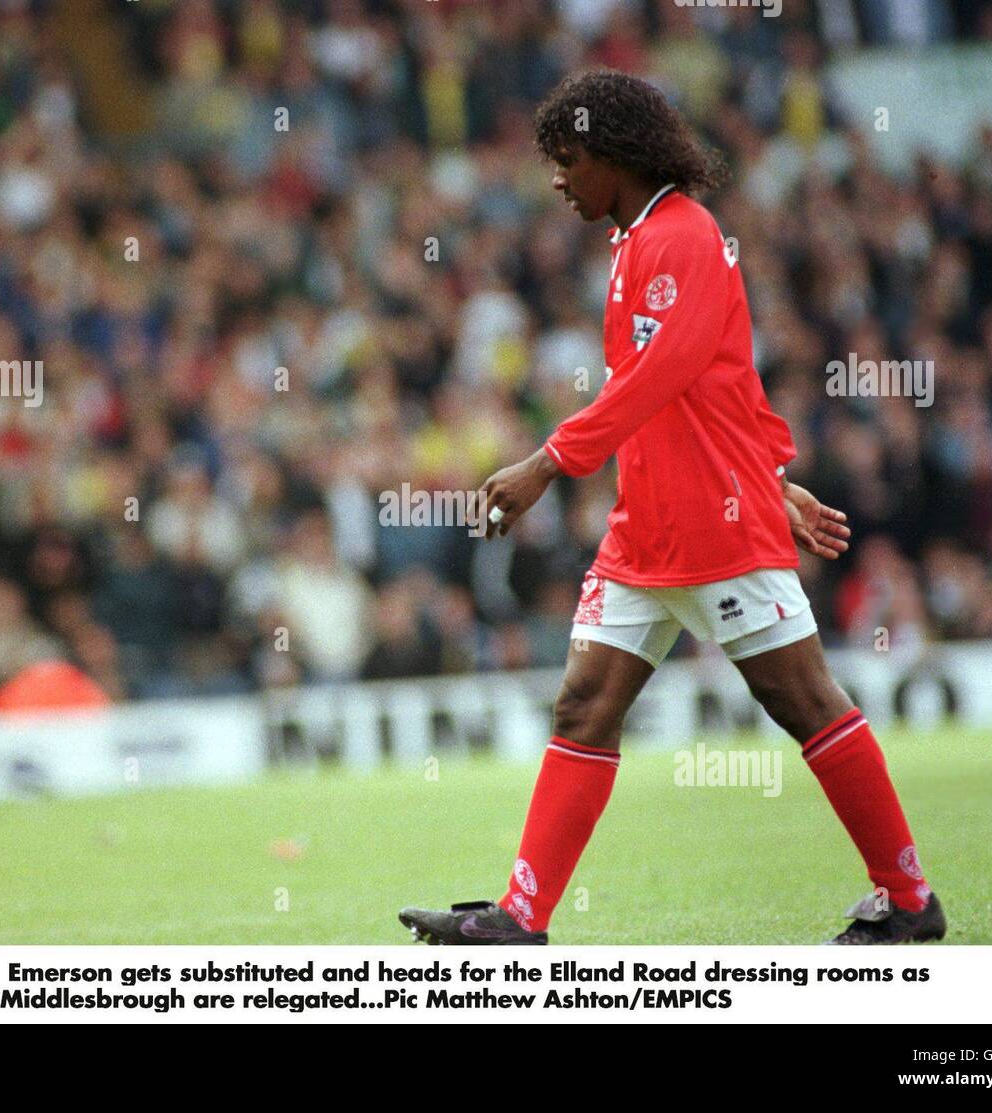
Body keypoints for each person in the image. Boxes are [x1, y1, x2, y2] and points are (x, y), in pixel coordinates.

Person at [399, 71, 944, 946]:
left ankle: (910, 899)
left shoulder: (684, 236)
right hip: (645, 531)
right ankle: (521, 915)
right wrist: (776, 474)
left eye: (568, 159)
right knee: (583, 706)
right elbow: (721, 384)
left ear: (615, 157)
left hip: (714, 529)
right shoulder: (633, 242)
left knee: (802, 698)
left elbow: (668, 373)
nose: (557, 178)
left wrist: (550, 460)